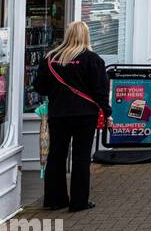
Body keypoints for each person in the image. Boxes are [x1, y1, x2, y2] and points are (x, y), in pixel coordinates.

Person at [33, 21, 108, 212]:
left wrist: (57, 94)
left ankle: (55, 199)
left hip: (58, 114)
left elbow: (39, 87)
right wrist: (107, 113)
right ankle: (78, 202)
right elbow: (101, 91)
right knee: (81, 157)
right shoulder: (93, 60)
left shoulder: (50, 59)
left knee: (56, 155)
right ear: (86, 36)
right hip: (85, 115)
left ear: (67, 35)